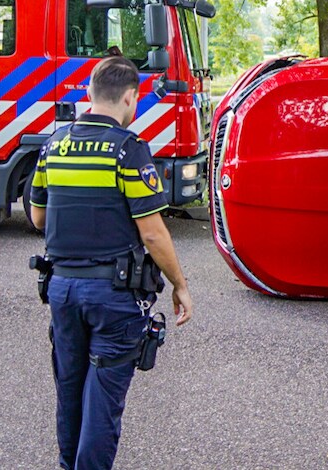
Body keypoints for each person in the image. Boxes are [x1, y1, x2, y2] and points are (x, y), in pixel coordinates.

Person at [30, 56, 192, 470]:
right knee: (102, 399)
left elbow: (38, 217)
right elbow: (152, 232)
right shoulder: (128, 149)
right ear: (129, 98)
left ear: (88, 93)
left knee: (70, 389)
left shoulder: (54, 144)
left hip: (63, 289)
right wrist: (180, 284)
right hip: (114, 295)